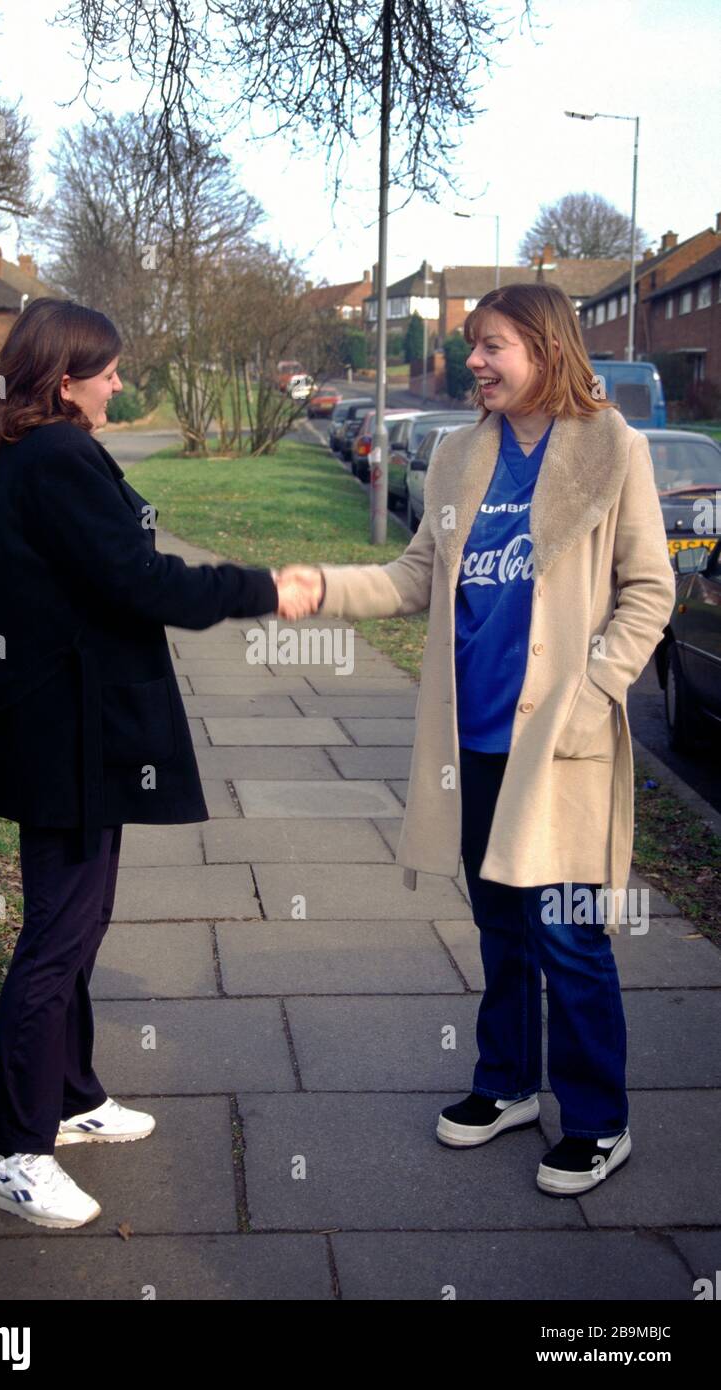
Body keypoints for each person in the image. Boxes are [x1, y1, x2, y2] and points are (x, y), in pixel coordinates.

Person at [280, 282, 676, 1197]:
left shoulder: (614, 450)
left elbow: (650, 589)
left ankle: (598, 1122)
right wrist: (324, 588)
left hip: (560, 746)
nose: (476, 363)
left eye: (493, 346)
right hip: (477, 741)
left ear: (545, 346)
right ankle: (505, 1085)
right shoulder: (460, 455)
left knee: (569, 933)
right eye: (472, 346)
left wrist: (595, 693)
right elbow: (418, 574)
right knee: (499, 923)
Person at [0, 298, 313, 1228]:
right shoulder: (58, 456)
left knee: (84, 920)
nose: (122, 382)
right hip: (62, 736)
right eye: (108, 369)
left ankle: (69, 1097)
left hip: (78, 730)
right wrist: (263, 587)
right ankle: (13, 1150)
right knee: (56, 938)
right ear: (64, 379)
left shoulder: (37, 453)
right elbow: (142, 580)